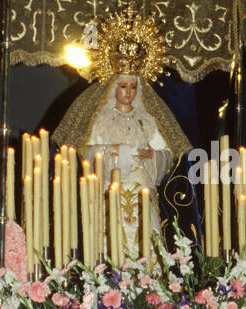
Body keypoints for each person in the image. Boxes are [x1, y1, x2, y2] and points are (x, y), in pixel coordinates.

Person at [53, 72, 188, 254]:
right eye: (123, 86)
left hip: (141, 190)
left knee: (145, 237)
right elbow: (86, 152)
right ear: (113, 88)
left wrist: (152, 155)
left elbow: (166, 153)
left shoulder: (146, 121)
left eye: (133, 87)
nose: (128, 92)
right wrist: (111, 149)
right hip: (110, 188)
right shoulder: (101, 120)